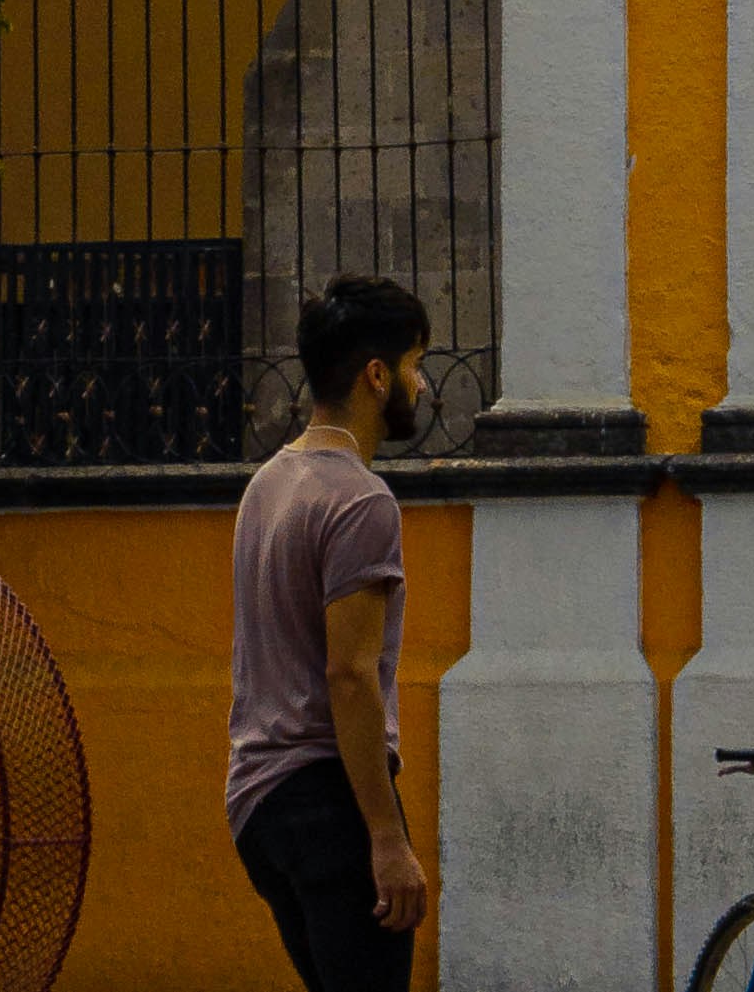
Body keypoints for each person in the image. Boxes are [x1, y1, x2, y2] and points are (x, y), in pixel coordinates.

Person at [230, 271, 433, 984]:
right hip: (329, 801)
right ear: (377, 375)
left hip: (259, 803)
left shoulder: (267, 484)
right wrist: (386, 836)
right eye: (415, 364)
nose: (422, 384)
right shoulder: (361, 500)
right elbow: (349, 675)